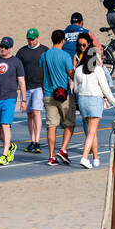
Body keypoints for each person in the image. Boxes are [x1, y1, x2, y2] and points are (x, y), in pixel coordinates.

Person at [72, 31, 115, 167]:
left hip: (82, 101)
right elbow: (105, 89)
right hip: (94, 100)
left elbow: (75, 89)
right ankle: (85, 157)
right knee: (91, 131)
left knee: (92, 130)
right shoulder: (97, 70)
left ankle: (96, 158)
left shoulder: (79, 69)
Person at [40, 29, 77, 165]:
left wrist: (44, 87)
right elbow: (71, 74)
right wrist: (75, 68)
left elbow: (41, 74)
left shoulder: (44, 56)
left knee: (51, 126)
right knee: (70, 123)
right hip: (63, 94)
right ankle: (63, 149)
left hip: (48, 94)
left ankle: (51, 156)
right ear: (63, 41)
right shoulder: (65, 55)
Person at [0, 36, 26, 165]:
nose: (3, 49)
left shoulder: (16, 62)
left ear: (11, 48)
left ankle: (4, 155)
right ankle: (10, 146)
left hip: (9, 98)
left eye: (6, 47)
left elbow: (21, 81)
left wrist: (23, 100)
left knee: (5, 125)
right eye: (2, 46)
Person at [16, 29, 48, 154]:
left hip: (39, 86)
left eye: (33, 38)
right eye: (29, 38)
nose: (31, 41)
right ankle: (32, 140)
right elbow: (18, 69)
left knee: (36, 112)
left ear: (38, 38)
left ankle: (37, 141)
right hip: (26, 87)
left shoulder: (44, 50)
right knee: (29, 114)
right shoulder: (22, 52)